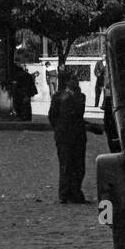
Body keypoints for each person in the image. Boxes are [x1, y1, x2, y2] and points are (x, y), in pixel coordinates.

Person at [49, 75, 91, 204]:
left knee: (75, 165)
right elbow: (53, 116)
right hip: (69, 135)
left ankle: (72, 193)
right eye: (73, 80)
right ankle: (68, 193)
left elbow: (54, 117)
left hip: (72, 135)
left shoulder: (77, 97)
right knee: (69, 164)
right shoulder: (64, 97)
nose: (76, 83)